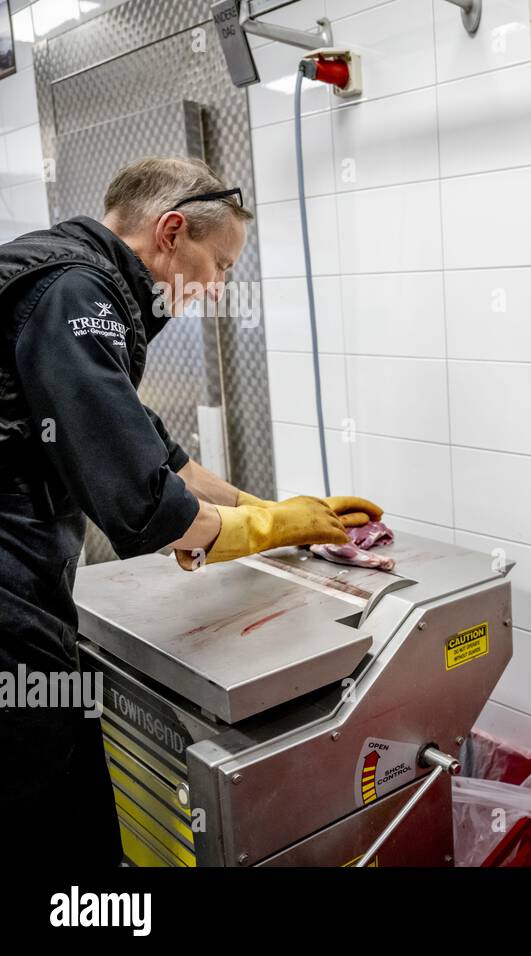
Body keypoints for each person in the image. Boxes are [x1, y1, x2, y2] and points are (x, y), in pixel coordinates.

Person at [0, 156, 381, 864]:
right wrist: (268, 529)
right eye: (220, 264)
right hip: (7, 602)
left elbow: (152, 450)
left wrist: (277, 508)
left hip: (26, 587)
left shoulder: (65, 271)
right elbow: (146, 502)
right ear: (171, 230)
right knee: (43, 813)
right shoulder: (77, 292)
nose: (216, 288)